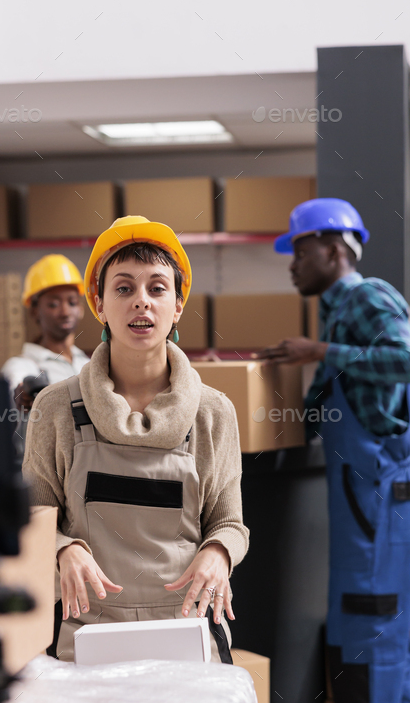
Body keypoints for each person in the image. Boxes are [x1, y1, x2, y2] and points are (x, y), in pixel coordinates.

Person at [259, 198, 410, 703]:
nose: (291, 265)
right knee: (384, 644)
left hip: (377, 509)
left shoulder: (364, 298)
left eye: (299, 251)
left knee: (364, 644)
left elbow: (408, 361)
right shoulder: (343, 309)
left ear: (335, 249)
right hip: (383, 504)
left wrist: (321, 351)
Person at [23, 216, 248, 663]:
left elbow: (229, 522)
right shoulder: (54, 409)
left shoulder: (213, 412)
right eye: (123, 288)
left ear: (178, 305)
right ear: (100, 304)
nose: (141, 302)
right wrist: (62, 549)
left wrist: (220, 554)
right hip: (84, 637)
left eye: (157, 288)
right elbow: (33, 515)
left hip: (187, 632)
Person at [1, 253, 90, 408]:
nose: (65, 312)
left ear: (81, 309)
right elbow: (16, 392)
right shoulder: (21, 365)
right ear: (34, 311)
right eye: (53, 304)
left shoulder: (88, 364)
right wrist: (22, 395)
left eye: (72, 302)